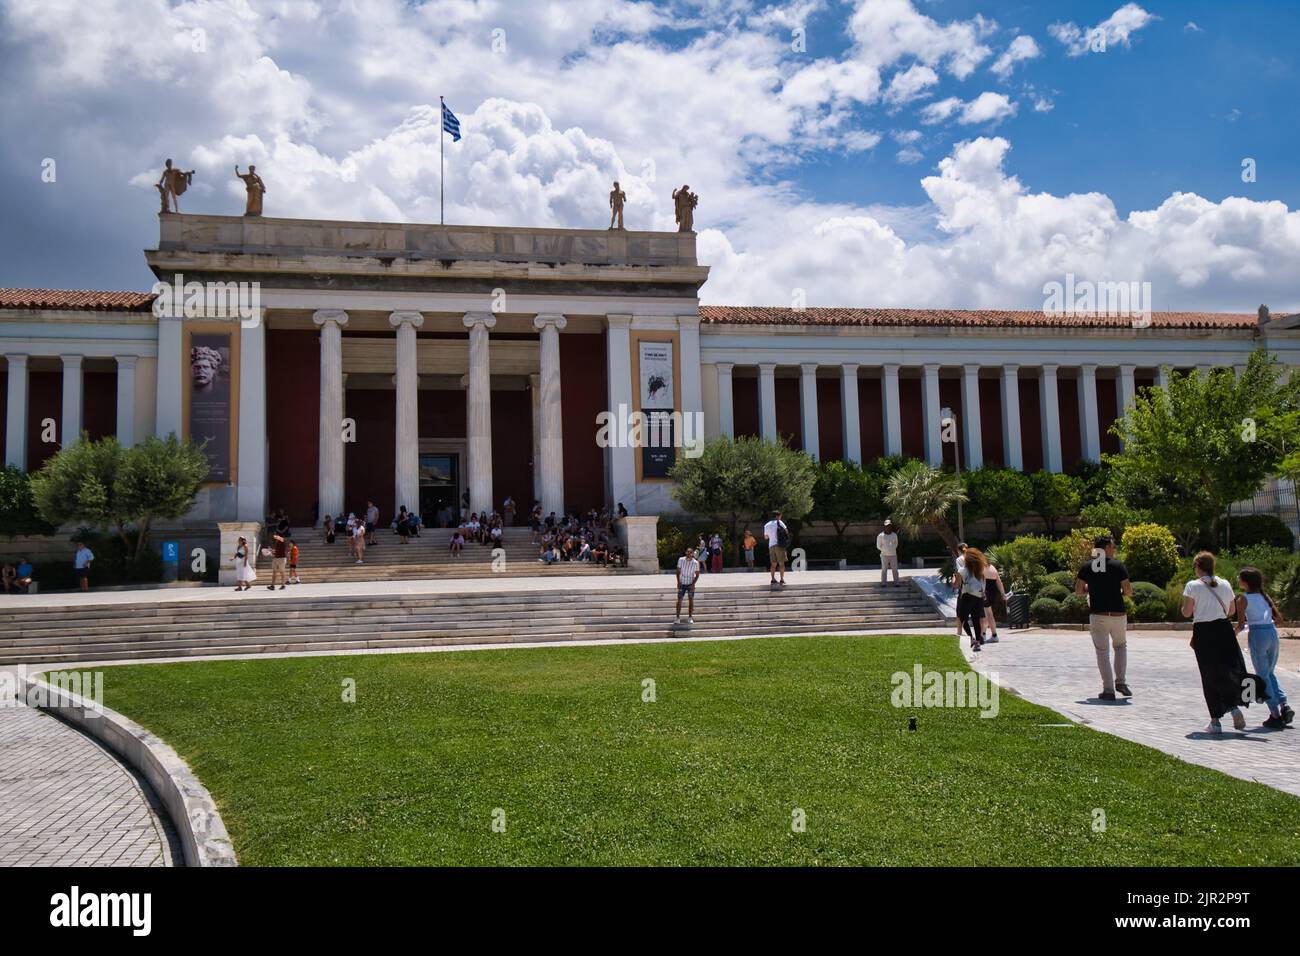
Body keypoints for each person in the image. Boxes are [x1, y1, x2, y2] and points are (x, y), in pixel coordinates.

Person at [1182, 552, 1250, 733]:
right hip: (1224, 630)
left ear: (1198, 566)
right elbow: (1231, 611)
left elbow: (1187, 613)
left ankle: (1215, 721)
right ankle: (1234, 707)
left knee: (1209, 674)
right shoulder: (1225, 583)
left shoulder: (1192, 586)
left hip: (1204, 632)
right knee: (1226, 670)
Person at [1236, 567, 1294, 729]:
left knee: (1262, 676)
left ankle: (1274, 714)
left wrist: (1230, 636)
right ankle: (1284, 705)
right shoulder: (1264, 596)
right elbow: (1279, 620)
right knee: (1269, 673)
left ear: (1245, 582)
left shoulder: (1242, 599)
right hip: (1271, 633)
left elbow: (1241, 625)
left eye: (1240, 578)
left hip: (1257, 635)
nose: (1238, 580)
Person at [1075, 534, 1132, 700]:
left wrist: (1090, 589)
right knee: (1120, 647)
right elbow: (1128, 591)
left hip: (1098, 614)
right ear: (1106, 548)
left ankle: (1108, 690)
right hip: (1118, 614)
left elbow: (1078, 591)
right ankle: (1120, 681)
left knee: (1102, 652)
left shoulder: (1087, 567)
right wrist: (1118, 591)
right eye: (1113, 546)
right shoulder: (1118, 566)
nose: (1114, 549)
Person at [953, 546, 987, 651]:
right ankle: (977, 643)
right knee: (976, 619)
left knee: (963, 619)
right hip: (979, 596)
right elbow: (983, 582)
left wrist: (954, 577)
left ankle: (971, 638)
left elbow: (956, 585)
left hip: (967, 596)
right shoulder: (979, 570)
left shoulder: (963, 570)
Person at [983, 557, 1007, 643]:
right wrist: (1003, 594)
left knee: (986, 615)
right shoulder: (993, 568)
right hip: (993, 593)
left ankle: (990, 635)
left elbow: (981, 581)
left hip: (984, 592)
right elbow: (999, 582)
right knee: (988, 614)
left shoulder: (982, 568)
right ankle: (986, 634)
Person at [675, 545, 701, 625]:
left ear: (693, 554)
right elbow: (678, 571)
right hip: (682, 583)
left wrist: (693, 584)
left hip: (690, 583)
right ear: (686, 552)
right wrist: (678, 582)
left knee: (691, 600)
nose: (689, 553)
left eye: (691, 552)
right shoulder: (681, 560)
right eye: (688, 552)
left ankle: (690, 617)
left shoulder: (695, 563)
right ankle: (677, 618)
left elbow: (697, 574)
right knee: (679, 600)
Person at [764, 510, 789, 586]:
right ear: (777, 516)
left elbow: (766, 537)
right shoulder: (779, 522)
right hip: (779, 545)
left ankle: (773, 579)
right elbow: (786, 531)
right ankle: (781, 579)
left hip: (771, 546)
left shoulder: (766, 525)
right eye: (780, 516)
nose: (780, 517)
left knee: (773, 564)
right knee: (781, 564)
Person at [877, 519, 900, 586]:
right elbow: (878, 546)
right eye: (887, 526)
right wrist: (885, 550)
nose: (888, 527)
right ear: (884, 526)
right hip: (884, 555)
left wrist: (891, 549)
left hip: (893, 555)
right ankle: (884, 583)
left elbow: (896, 544)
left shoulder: (894, 535)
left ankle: (896, 583)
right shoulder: (880, 535)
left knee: (895, 569)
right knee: (884, 569)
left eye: (889, 526)